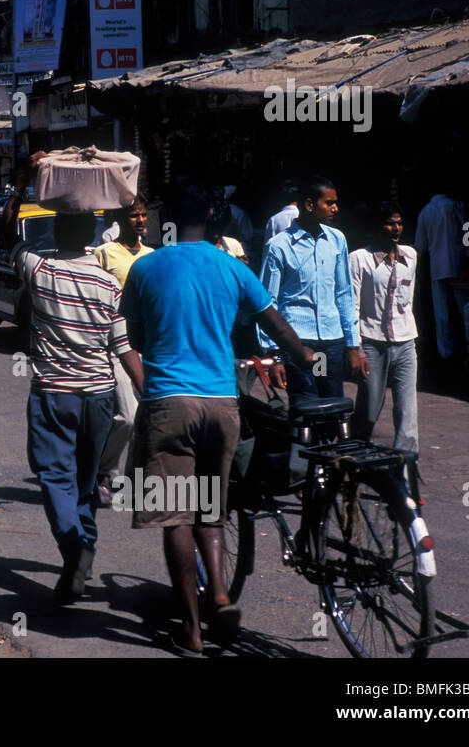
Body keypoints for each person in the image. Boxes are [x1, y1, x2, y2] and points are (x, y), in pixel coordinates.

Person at [120, 178, 316, 656]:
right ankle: (222, 594)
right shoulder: (232, 267)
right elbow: (274, 323)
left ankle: (190, 630)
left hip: (170, 403)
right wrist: (306, 356)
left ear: (168, 220)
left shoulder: (146, 268)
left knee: (176, 517)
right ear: (211, 221)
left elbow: (135, 336)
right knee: (211, 508)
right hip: (222, 406)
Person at [0, 155, 145, 606]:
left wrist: (25, 177)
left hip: (54, 396)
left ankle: (75, 547)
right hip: (100, 398)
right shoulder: (109, 285)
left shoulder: (40, 271)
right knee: (85, 484)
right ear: (93, 238)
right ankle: (76, 567)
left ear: (56, 233)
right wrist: (151, 391)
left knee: (55, 479)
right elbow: (125, 350)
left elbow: (6, 234)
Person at [258, 176, 365, 398]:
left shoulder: (337, 240)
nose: (335, 208)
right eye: (329, 203)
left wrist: (353, 345)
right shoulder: (279, 246)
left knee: (331, 407)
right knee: (305, 408)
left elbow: (344, 293)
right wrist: (275, 357)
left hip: (331, 343)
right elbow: (268, 303)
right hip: (297, 344)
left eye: (336, 203)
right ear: (309, 205)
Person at [91, 195, 153, 505]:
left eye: (143, 216)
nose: (140, 221)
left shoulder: (153, 255)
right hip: (115, 347)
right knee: (126, 416)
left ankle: (138, 478)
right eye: (134, 217)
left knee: (151, 414)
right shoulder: (103, 254)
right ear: (120, 220)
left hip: (150, 347)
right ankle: (104, 471)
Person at [351, 202, 419, 455]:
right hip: (371, 342)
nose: (396, 228)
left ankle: (406, 470)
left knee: (407, 410)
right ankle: (353, 462)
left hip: (405, 341)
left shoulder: (410, 256)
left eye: (399, 223)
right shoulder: (359, 259)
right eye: (390, 223)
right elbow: (353, 307)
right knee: (368, 409)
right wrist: (356, 348)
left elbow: (408, 300)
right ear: (376, 226)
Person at [414, 190, 469, 362]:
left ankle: (446, 353)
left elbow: (420, 246)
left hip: (438, 267)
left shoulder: (426, 211)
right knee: (466, 309)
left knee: (442, 314)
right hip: (459, 265)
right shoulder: (458, 205)